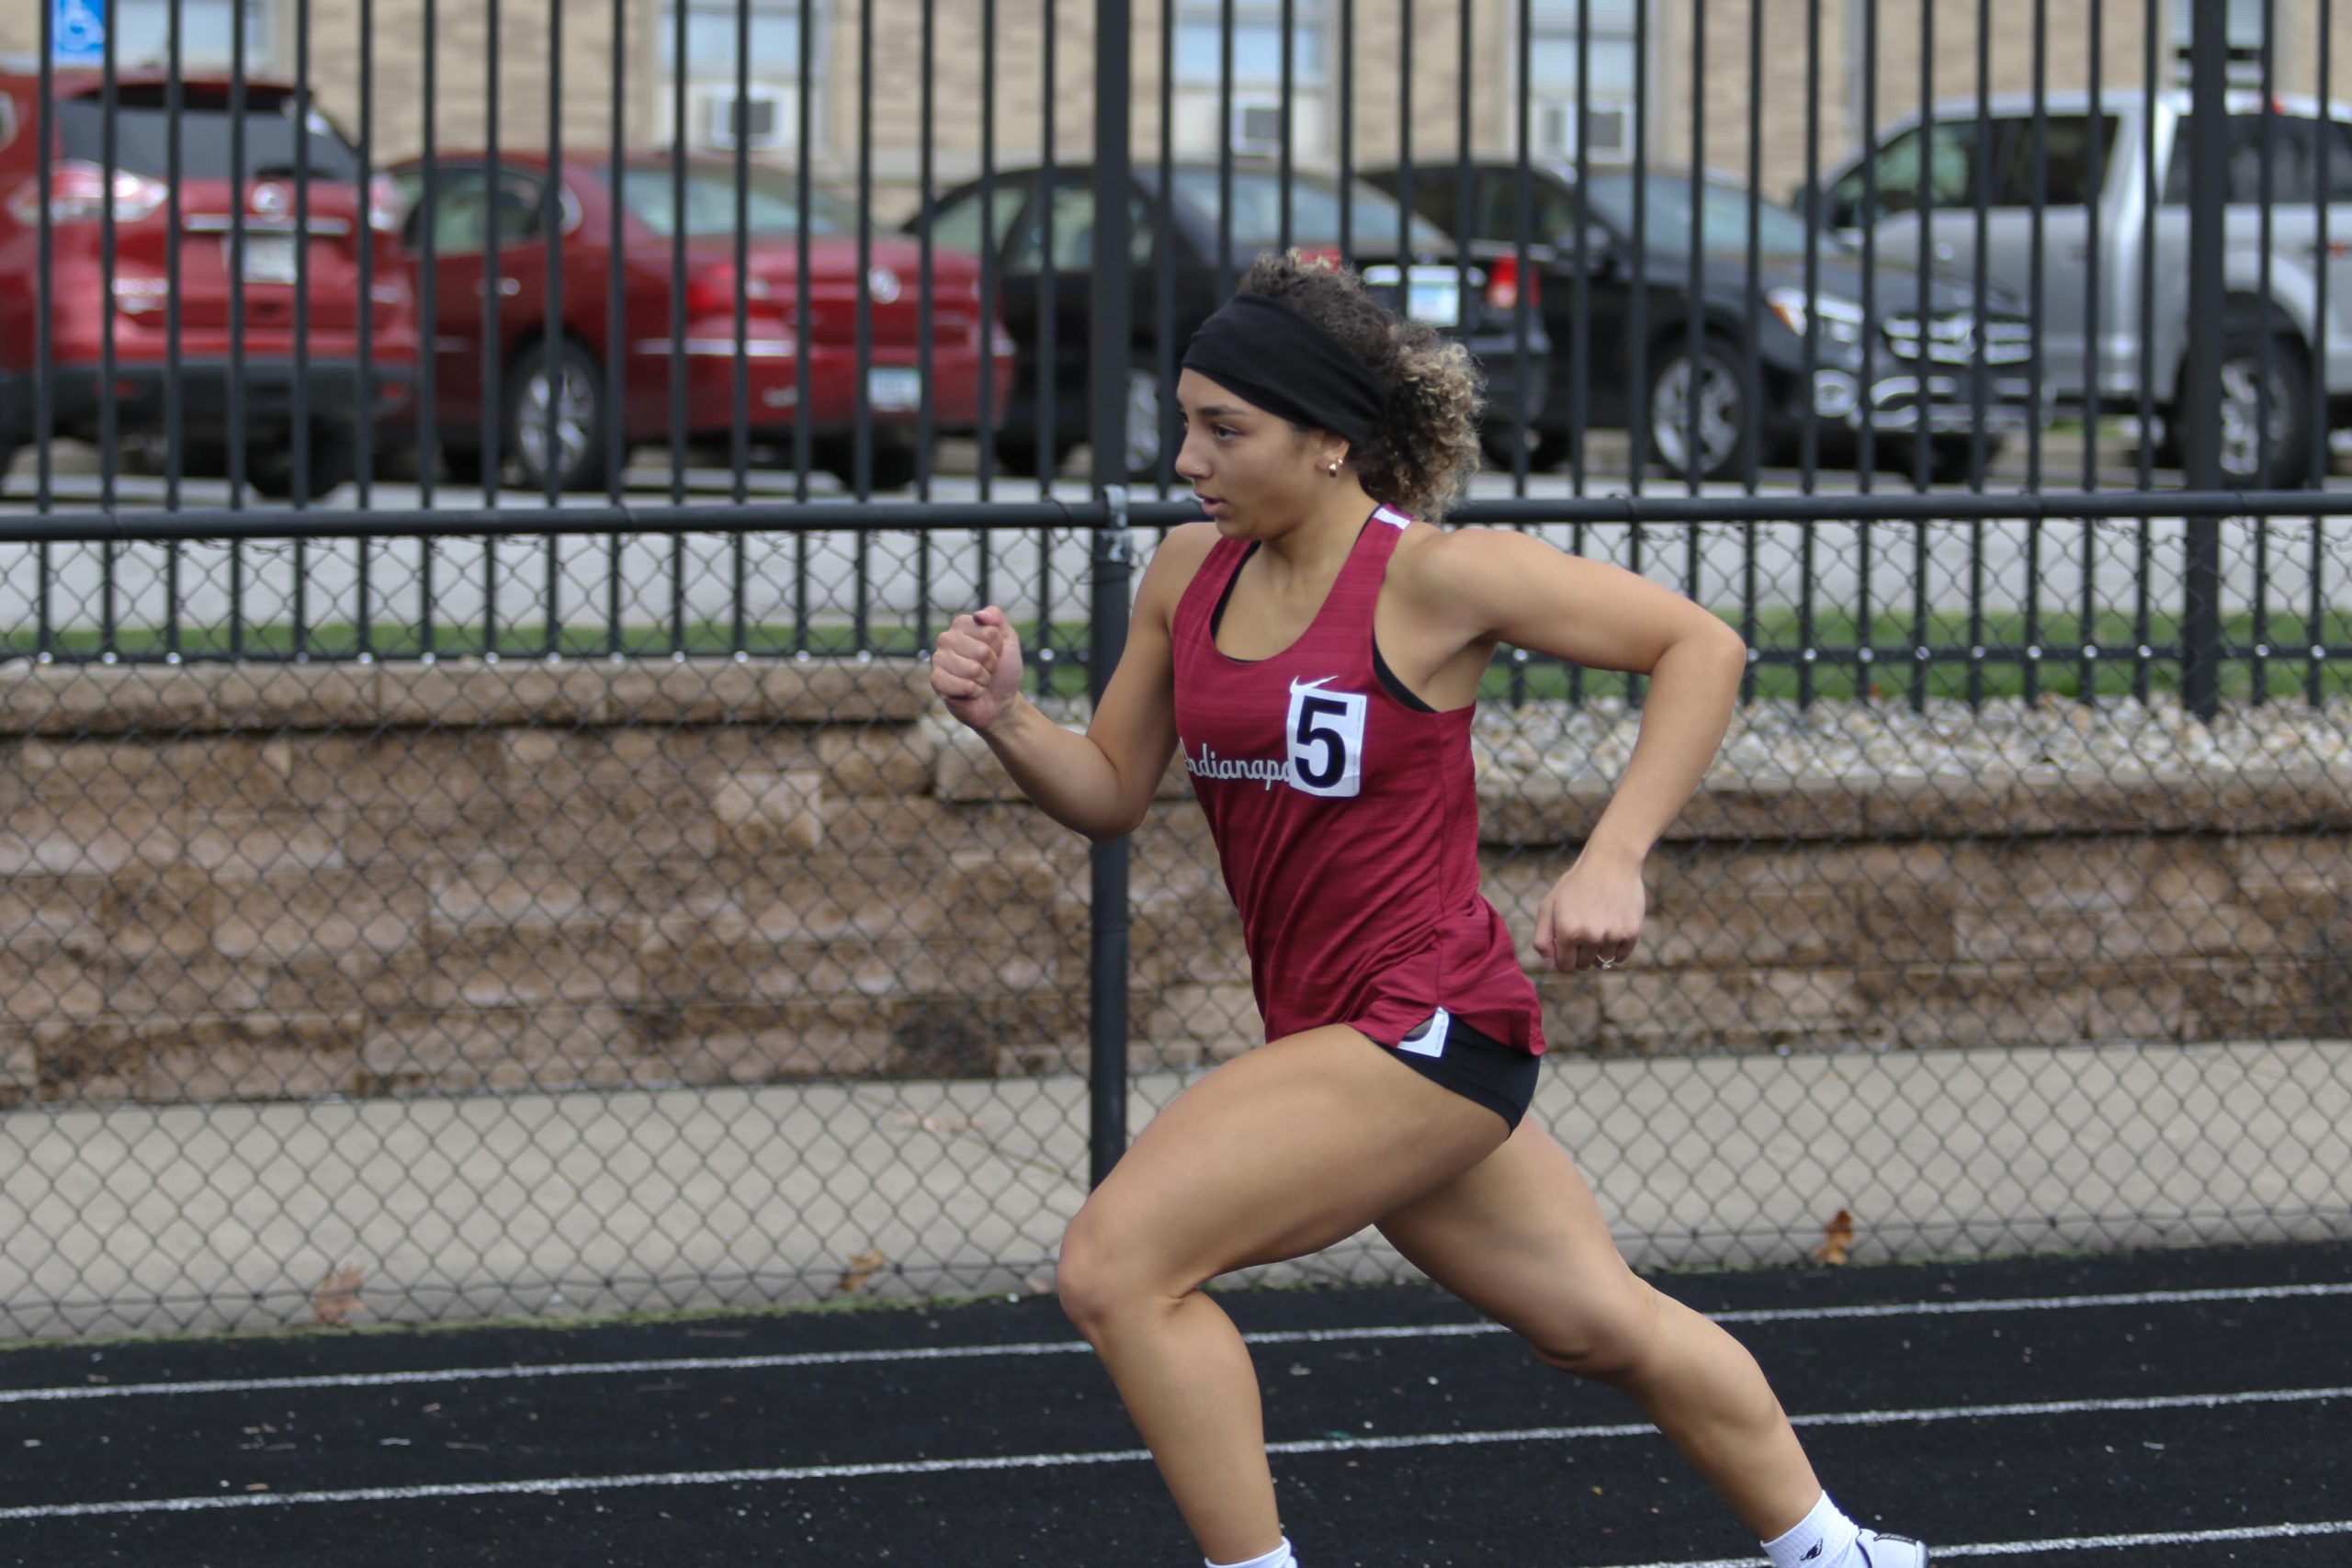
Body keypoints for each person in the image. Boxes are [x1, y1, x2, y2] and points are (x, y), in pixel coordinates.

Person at [927, 252, 1928, 1568]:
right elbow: (1112, 788)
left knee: (1117, 1267)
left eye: (1225, 429)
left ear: (1333, 442)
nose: (1187, 459)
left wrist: (1614, 856)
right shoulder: (1187, 574)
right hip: (1343, 1038)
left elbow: (1703, 646)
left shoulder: (1436, 579)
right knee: (1599, 1325)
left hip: (1430, 1024)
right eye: (1185, 422)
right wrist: (1007, 720)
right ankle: (1839, 1555)